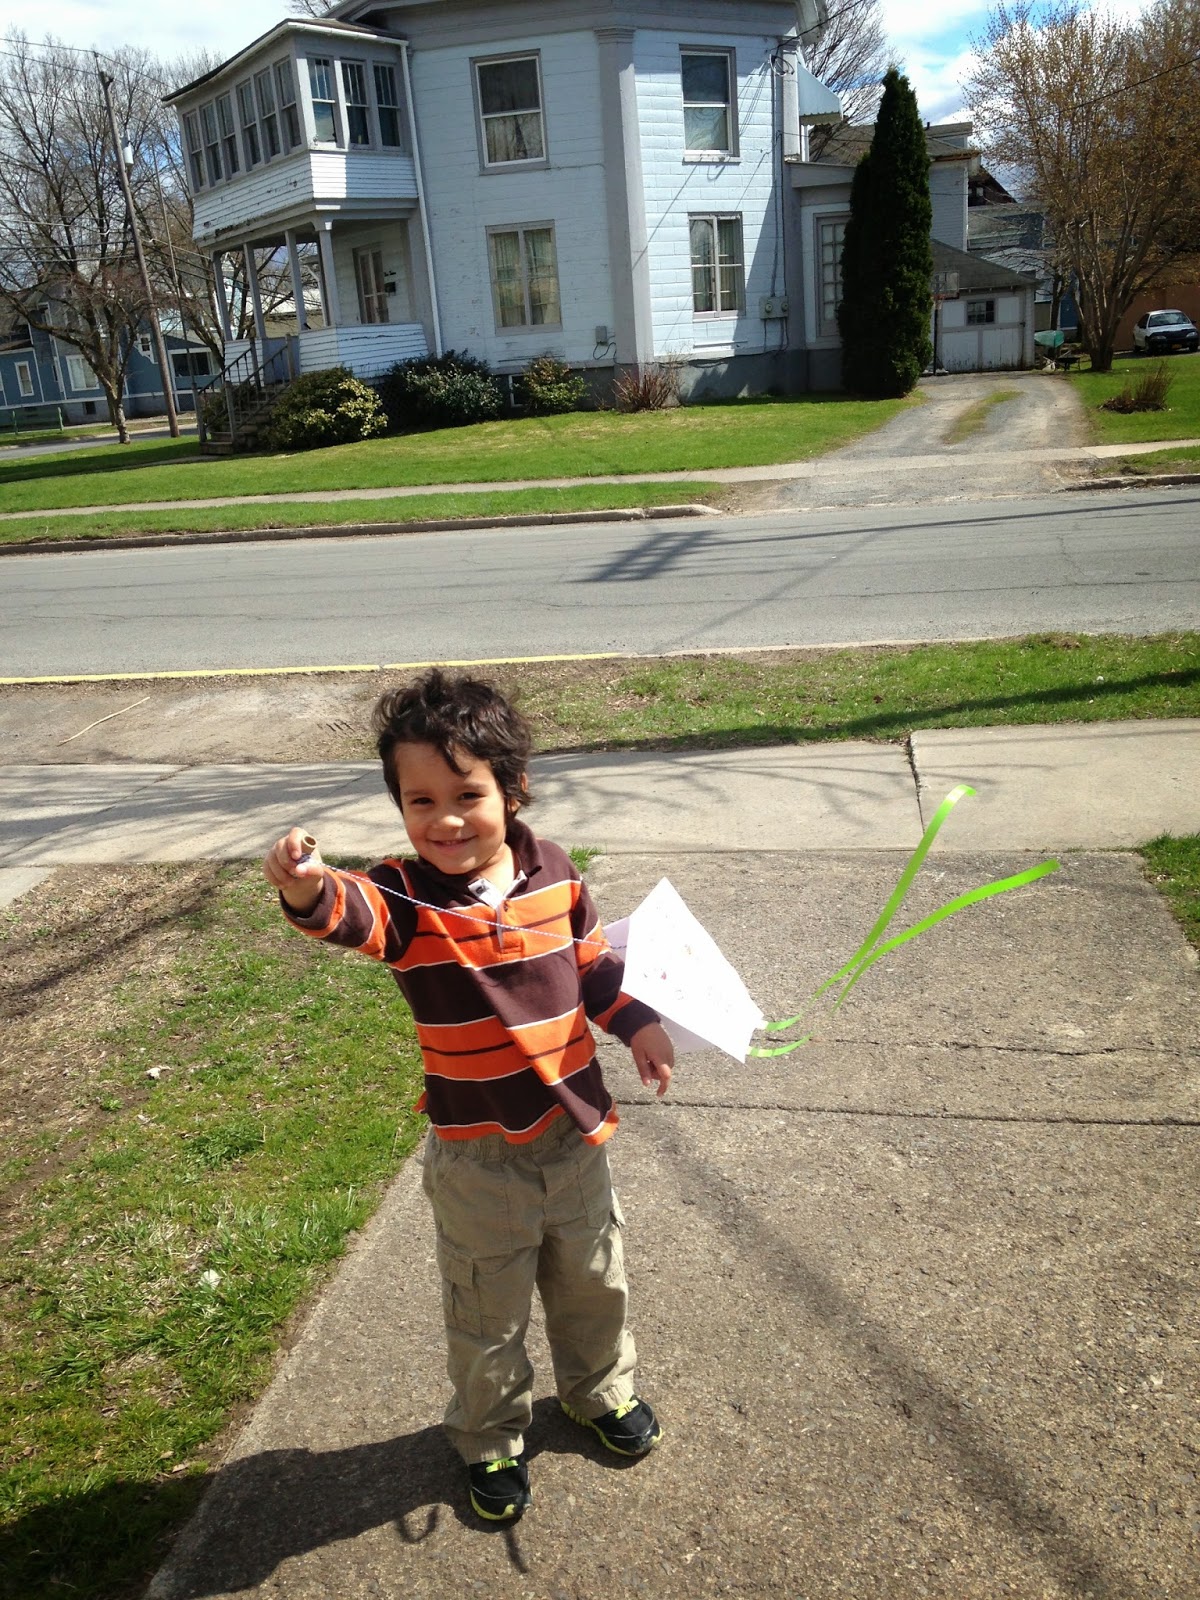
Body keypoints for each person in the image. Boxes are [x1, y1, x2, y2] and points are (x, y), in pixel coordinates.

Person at [263, 668, 675, 1523]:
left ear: (514, 790)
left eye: (467, 794)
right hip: (478, 1154)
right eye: (420, 801)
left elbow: (595, 965)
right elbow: (350, 911)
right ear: (401, 811)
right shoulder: (410, 896)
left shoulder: (556, 872)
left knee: (595, 1281)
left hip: (575, 1135)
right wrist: (305, 885)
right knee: (487, 1308)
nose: (445, 820)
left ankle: (600, 1395)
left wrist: (636, 1025)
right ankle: (490, 1436)